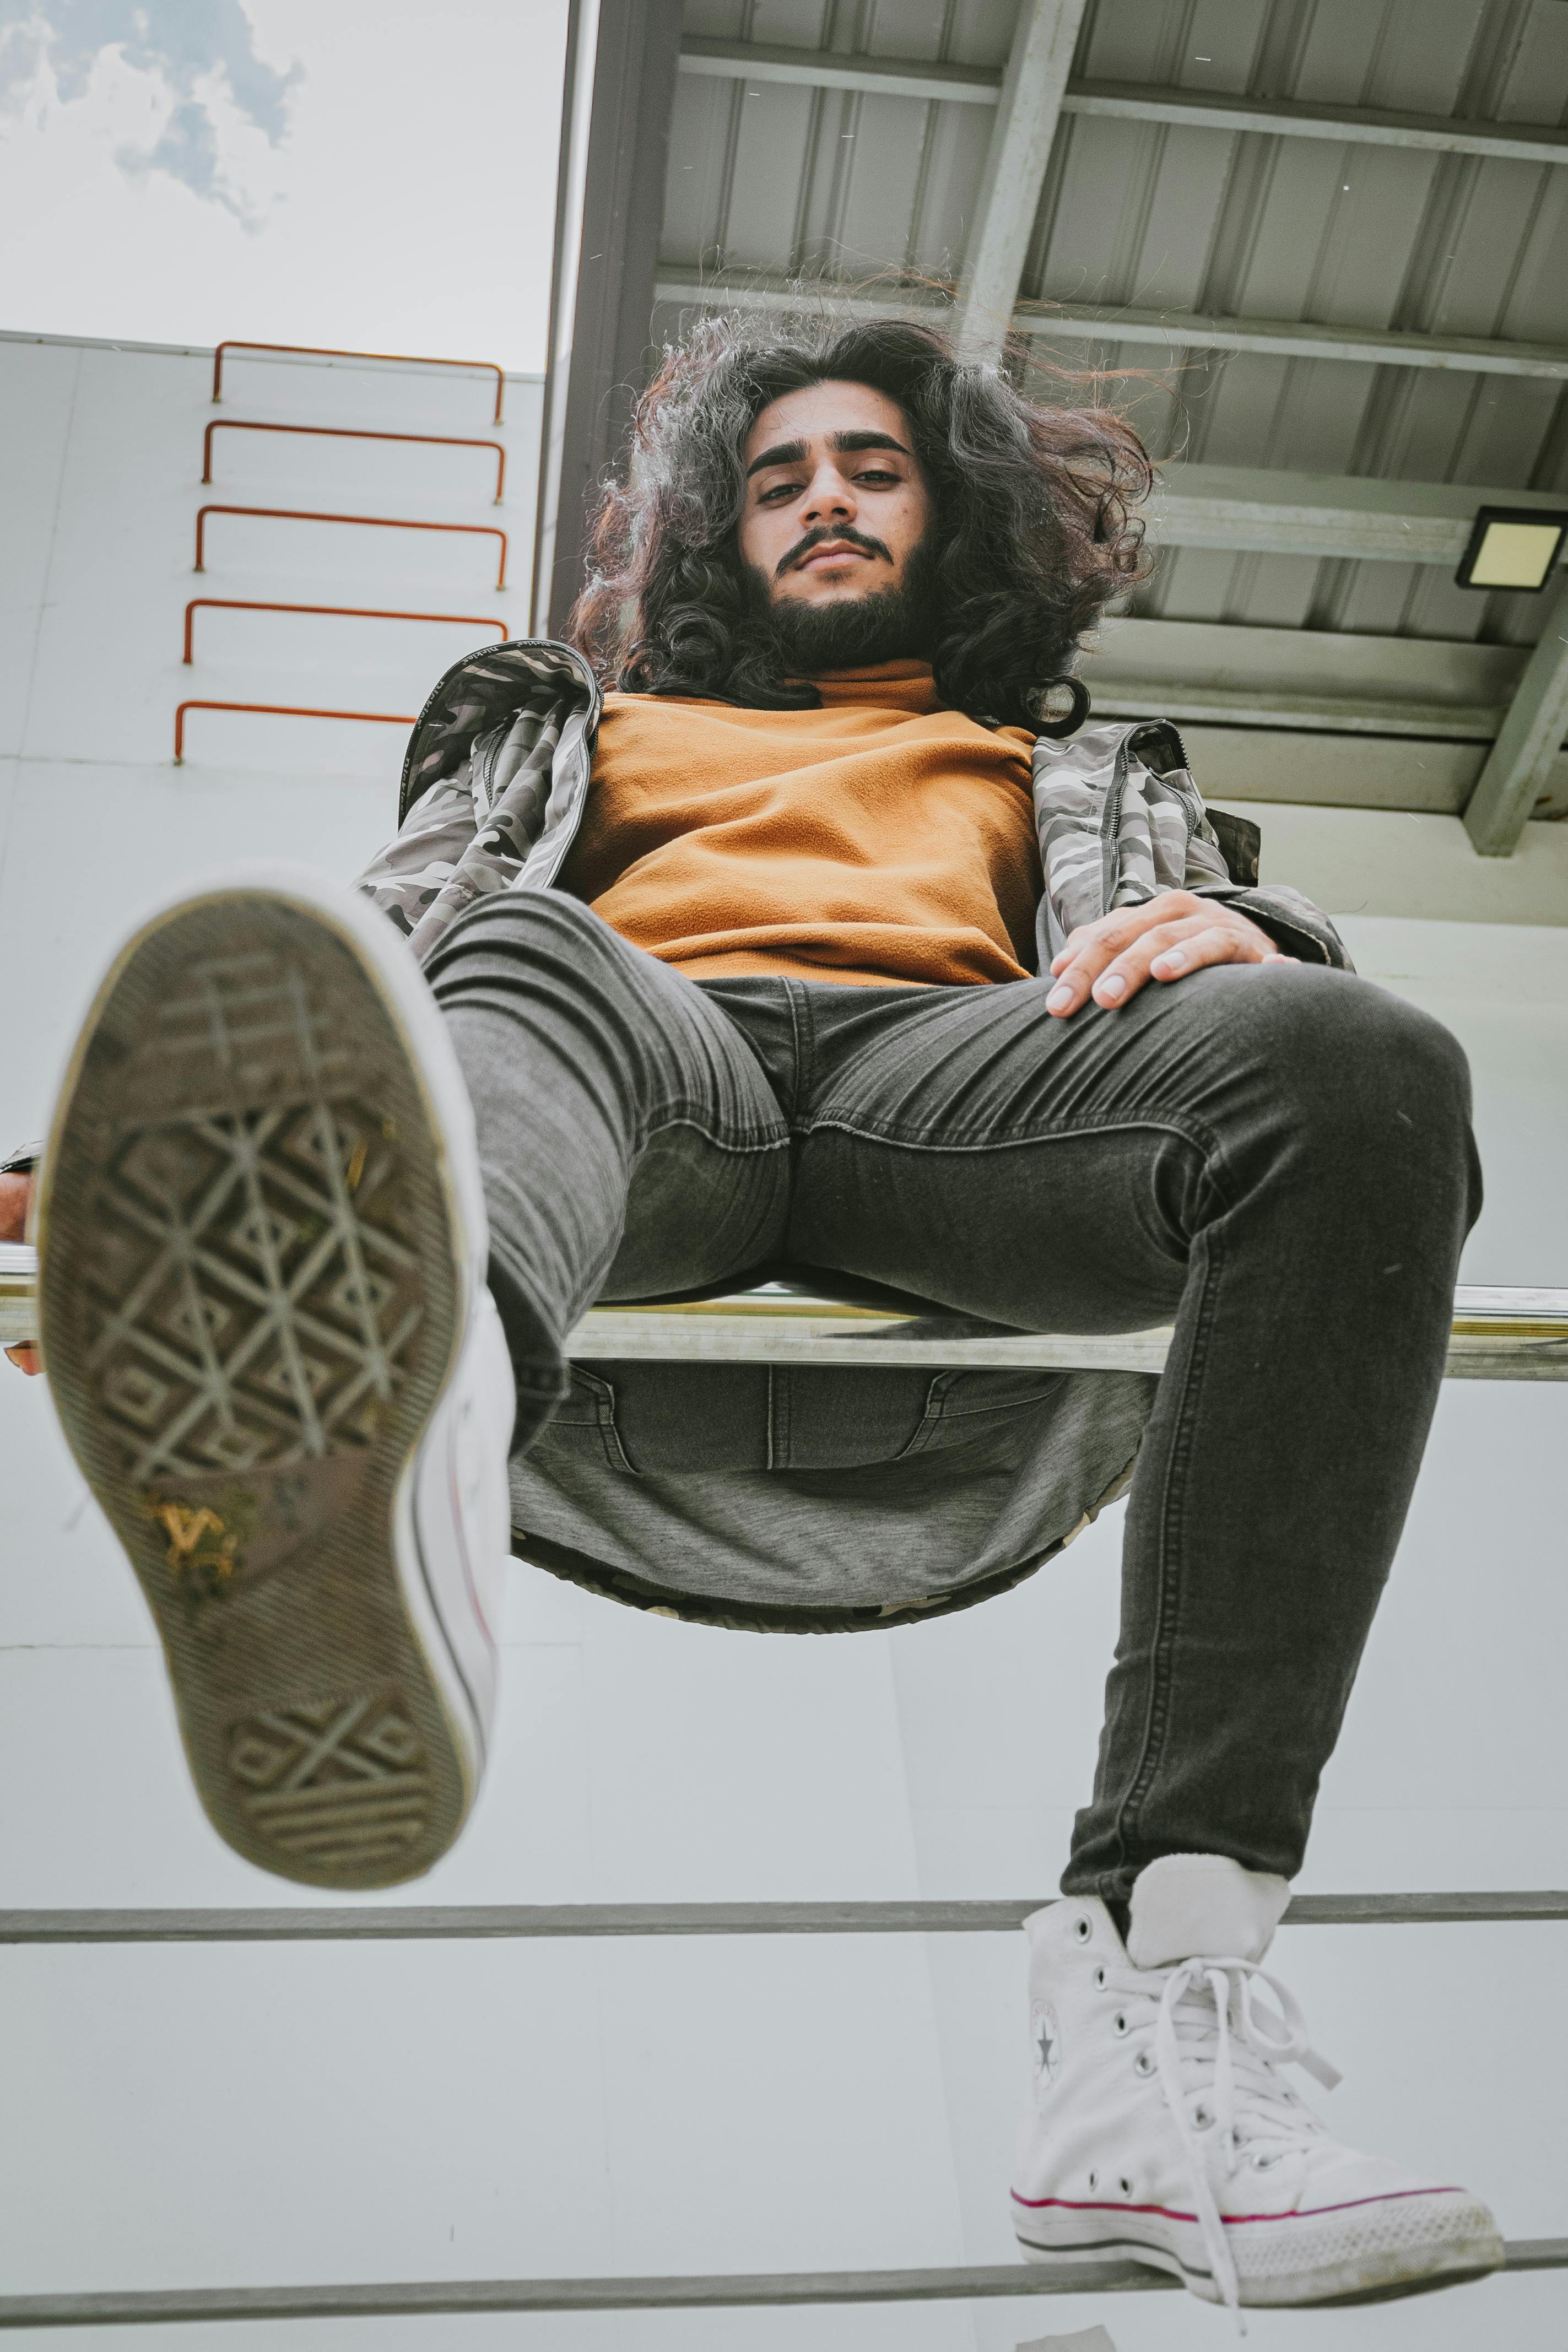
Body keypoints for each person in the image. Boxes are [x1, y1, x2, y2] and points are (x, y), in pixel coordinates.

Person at [4, 316, 1501, 2315]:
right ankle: (365, 1484)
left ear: (946, 507)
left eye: (870, 467)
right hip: (643, 1073)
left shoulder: (1063, 756)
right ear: (726, 525)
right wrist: (164, 1187)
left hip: (955, 1081)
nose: (822, 498)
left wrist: (1254, 932)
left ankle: (1169, 1995)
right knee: (522, 940)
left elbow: (1212, 951)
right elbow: (401, 934)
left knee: (1360, 1058)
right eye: (780, 473)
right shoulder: (577, 720)